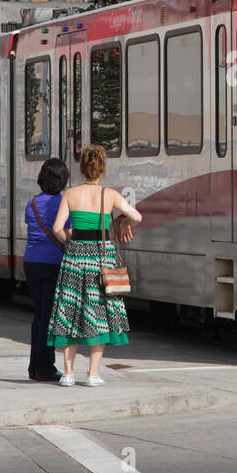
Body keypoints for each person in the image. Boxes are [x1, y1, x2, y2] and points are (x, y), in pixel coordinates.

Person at [49, 145, 141, 387]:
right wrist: (124, 223)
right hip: (101, 257)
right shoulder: (109, 194)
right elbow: (137, 216)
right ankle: (92, 374)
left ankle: (68, 373)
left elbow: (57, 228)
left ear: (81, 169)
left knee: (70, 311)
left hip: (75, 257)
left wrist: (71, 242)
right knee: (98, 313)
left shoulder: (70, 194)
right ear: (102, 168)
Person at [24, 158, 69, 382]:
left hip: (31, 262)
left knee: (39, 314)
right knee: (49, 316)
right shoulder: (63, 203)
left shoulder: (32, 203)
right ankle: (44, 367)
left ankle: (35, 365)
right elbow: (66, 233)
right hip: (53, 262)